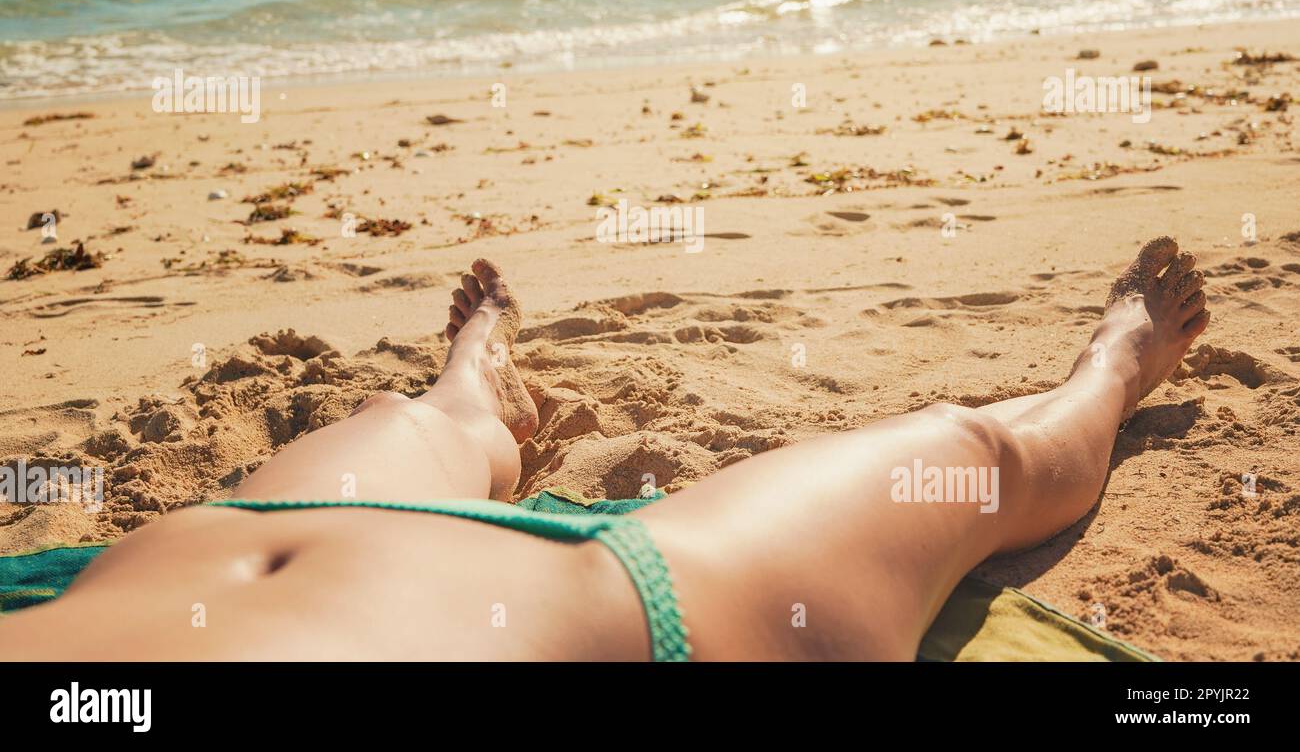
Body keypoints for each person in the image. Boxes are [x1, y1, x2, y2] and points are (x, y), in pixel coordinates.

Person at [0, 239, 1209, 660]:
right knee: (971, 459)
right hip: (626, 616)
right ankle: (1111, 368)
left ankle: (477, 395)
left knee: (419, 427)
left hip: (215, 549)